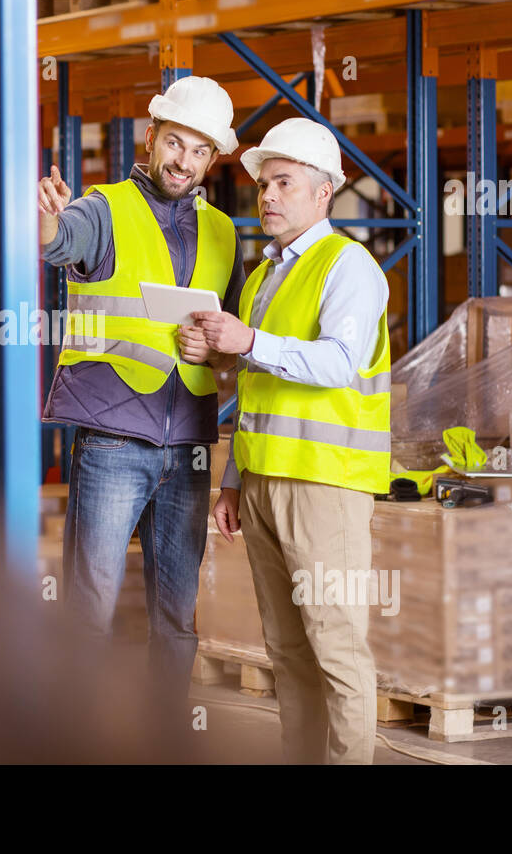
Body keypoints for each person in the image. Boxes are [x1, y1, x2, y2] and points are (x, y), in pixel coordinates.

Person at [37, 76, 244, 711]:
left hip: (189, 448)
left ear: (214, 159)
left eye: (200, 151)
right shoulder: (103, 209)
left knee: (177, 620)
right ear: (151, 137)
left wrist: (211, 348)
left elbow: (232, 339)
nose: (184, 161)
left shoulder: (224, 233)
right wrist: (41, 224)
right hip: (113, 440)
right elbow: (56, 242)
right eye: (175, 143)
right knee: (91, 611)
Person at [196, 117, 391, 764]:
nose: (269, 196)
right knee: (285, 650)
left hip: (324, 486)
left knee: (334, 647)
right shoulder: (261, 280)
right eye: (263, 185)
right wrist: (231, 481)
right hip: (262, 486)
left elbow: (339, 363)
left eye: (284, 182)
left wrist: (247, 341)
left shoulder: (349, 267)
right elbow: (253, 392)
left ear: (323, 193)